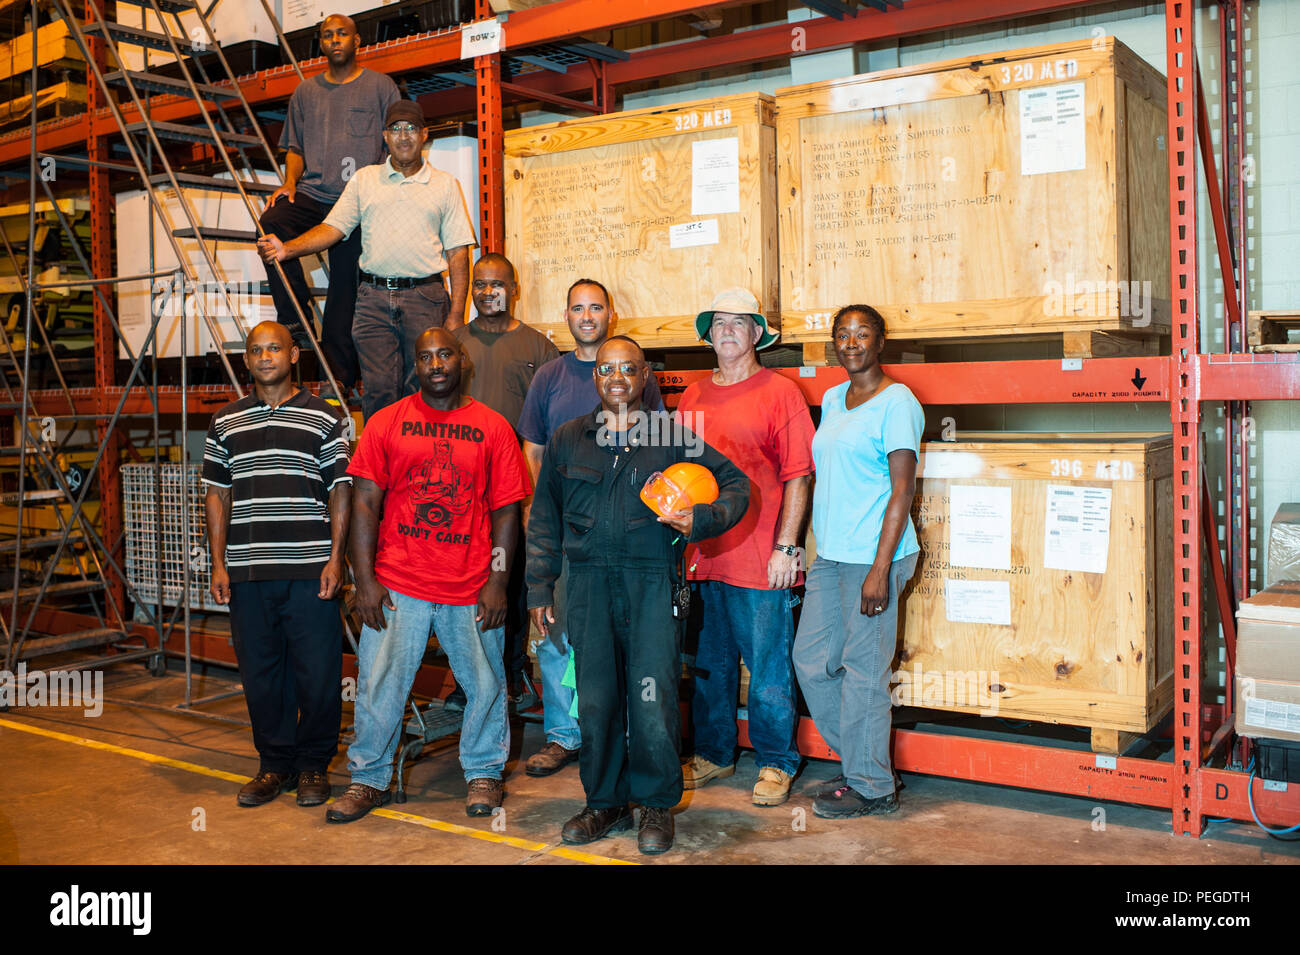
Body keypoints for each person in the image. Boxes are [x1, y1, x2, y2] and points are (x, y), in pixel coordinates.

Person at [526, 336, 749, 855]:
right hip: (587, 588)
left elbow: (735, 482)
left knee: (653, 700)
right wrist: (539, 586)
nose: (618, 377)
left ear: (644, 375)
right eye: (607, 369)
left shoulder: (671, 437)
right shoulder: (566, 439)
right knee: (598, 700)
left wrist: (703, 519)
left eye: (629, 368)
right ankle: (603, 801)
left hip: (651, 586)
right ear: (596, 376)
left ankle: (654, 804)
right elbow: (543, 522)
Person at [326, 327, 530, 824]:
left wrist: (499, 581)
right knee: (379, 684)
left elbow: (506, 512)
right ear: (415, 366)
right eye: (425, 357)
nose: (436, 364)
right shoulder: (386, 423)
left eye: (444, 354)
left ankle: (483, 772)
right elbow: (365, 504)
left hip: (471, 585)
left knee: (485, 684)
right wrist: (365, 579)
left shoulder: (494, 427)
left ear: (463, 360)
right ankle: (368, 779)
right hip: (399, 584)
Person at [515, 278, 663, 777]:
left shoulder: (638, 375)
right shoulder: (549, 377)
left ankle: (618, 730)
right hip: (566, 532)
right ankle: (563, 733)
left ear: (610, 315)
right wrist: (542, 517)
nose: (586, 316)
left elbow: (658, 450)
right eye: (577, 308)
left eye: (595, 307)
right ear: (567, 315)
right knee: (555, 631)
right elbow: (532, 452)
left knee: (619, 636)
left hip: (625, 533)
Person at [202, 321, 352, 809]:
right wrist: (219, 563)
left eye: (274, 348)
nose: (265, 356)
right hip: (247, 571)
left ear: (293, 355)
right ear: (246, 361)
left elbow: (341, 492)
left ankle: (313, 766)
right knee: (262, 674)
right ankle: (274, 765)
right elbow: (216, 495)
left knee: (319, 673)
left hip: (311, 568)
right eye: (256, 350)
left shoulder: (324, 418)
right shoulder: (225, 421)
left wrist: (336, 559)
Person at [677, 287, 814, 807]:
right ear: (708, 335)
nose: (728, 330)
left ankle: (776, 762)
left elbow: (799, 476)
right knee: (710, 666)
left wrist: (787, 547)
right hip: (705, 556)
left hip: (762, 558)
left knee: (768, 670)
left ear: (757, 334)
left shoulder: (779, 392)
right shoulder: (692, 395)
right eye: (719, 322)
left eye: (740, 322)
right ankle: (715, 753)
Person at [258, 100, 476, 420]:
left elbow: (458, 252)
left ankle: (421, 467)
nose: (403, 136)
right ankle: (383, 468)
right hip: (373, 302)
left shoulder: (445, 185)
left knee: (426, 388)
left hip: (425, 300)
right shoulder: (365, 179)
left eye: (411, 128)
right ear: (384, 136)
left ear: (424, 135)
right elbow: (333, 228)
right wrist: (287, 249)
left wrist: (456, 314)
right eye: (396, 129)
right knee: (380, 392)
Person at [792, 305, 923, 819]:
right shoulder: (832, 397)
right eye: (842, 334)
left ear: (880, 341)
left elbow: (902, 490)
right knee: (810, 661)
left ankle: (872, 787)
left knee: (865, 672)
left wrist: (878, 569)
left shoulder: (898, 403)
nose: (851, 342)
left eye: (862, 333)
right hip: (831, 555)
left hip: (875, 558)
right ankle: (864, 764)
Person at [259, 14, 399, 387]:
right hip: (313, 195)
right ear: (321, 44)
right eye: (327, 36)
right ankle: (295, 319)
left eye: (342, 34)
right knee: (272, 220)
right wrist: (289, 182)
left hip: (354, 205)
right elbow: (294, 148)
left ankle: (336, 384)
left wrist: (385, 191)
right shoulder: (306, 92)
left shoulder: (381, 87)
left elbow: (396, 144)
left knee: (342, 300)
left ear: (357, 41)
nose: (334, 40)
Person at [451, 254, 558, 711]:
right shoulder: (452, 343)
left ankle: (510, 677)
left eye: (498, 284)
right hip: (458, 484)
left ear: (514, 289)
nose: (488, 291)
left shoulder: (538, 348)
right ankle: (465, 681)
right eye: (480, 283)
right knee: (462, 581)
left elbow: (550, 427)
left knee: (509, 582)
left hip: (514, 485)